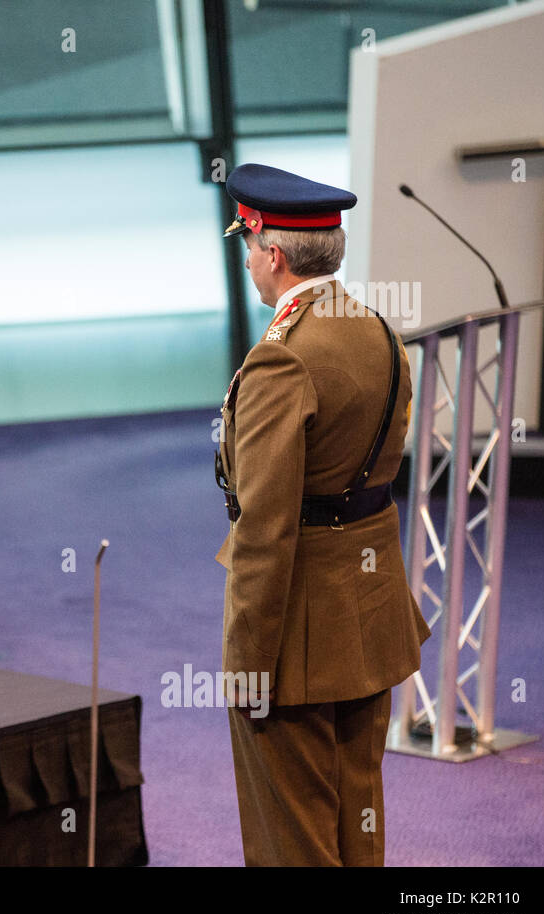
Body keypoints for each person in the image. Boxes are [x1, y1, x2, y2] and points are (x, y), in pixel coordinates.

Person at [214, 163, 431, 866]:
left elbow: (265, 529)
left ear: (272, 255)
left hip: (299, 638)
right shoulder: (377, 332)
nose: (248, 261)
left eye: (248, 246)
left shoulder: (283, 360)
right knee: (357, 823)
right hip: (370, 620)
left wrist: (247, 665)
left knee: (294, 841)